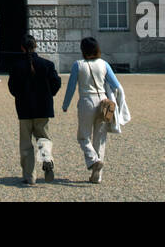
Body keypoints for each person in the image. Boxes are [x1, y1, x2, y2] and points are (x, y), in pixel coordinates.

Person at [61, 36, 123, 183]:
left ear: (83, 50)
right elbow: (116, 85)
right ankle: (98, 175)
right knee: (100, 138)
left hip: (86, 101)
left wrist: (65, 105)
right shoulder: (104, 64)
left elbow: (71, 88)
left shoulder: (78, 65)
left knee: (83, 136)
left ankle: (93, 160)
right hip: (103, 101)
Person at [7, 34, 61, 185]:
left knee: (26, 144)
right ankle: (47, 158)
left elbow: (12, 87)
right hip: (43, 108)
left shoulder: (16, 66)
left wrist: (19, 96)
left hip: (24, 108)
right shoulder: (47, 64)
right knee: (43, 138)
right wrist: (50, 94)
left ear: (22, 48)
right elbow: (56, 83)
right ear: (35, 46)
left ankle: (30, 176)